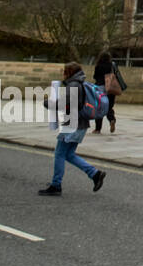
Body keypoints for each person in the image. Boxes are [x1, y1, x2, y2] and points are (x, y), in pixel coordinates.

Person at [39, 62, 106, 196]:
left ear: (69, 72)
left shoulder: (73, 85)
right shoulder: (78, 83)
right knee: (68, 154)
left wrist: (49, 103)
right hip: (80, 124)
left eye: (64, 71)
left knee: (59, 154)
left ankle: (56, 185)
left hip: (73, 125)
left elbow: (65, 103)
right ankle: (95, 174)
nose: (63, 73)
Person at [92, 52, 118, 134]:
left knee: (99, 107)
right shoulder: (112, 65)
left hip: (100, 87)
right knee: (109, 107)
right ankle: (112, 119)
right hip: (110, 87)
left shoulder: (98, 66)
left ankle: (98, 129)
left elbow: (95, 76)